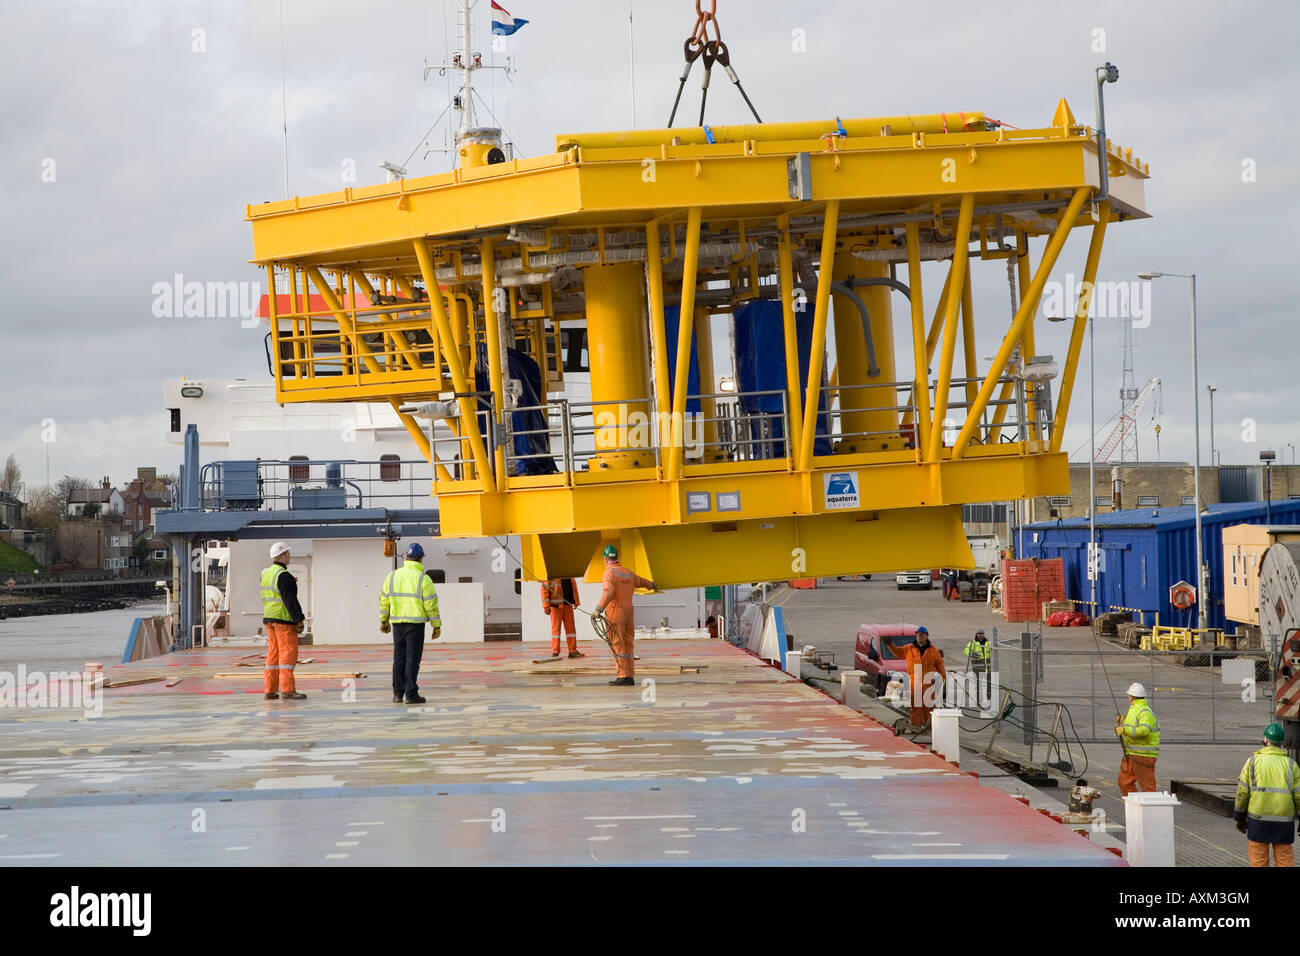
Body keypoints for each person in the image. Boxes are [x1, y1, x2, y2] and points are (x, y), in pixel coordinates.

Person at [379, 543, 441, 704]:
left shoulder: (392, 576)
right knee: (412, 659)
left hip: (397, 624)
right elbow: (430, 604)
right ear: (421, 559)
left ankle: (397, 694)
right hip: (415, 625)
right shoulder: (423, 578)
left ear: (406, 558)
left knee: (399, 659)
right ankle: (411, 694)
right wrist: (436, 625)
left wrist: (383, 620)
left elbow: (384, 600)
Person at [1233, 722, 1300, 867]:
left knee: (1258, 861)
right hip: (1284, 822)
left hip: (1258, 820)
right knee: (1285, 861)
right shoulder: (1291, 765)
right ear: (1281, 742)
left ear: (1266, 740)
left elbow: (1242, 793)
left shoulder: (1252, 762)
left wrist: (1239, 817)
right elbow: (1299, 796)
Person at [593, 544, 655, 686]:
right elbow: (641, 581)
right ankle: (630, 676)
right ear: (617, 557)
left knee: (617, 643)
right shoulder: (627, 572)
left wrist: (598, 609)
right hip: (629, 611)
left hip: (615, 611)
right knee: (628, 643)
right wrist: (652, 585)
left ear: (605, 559)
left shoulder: (609, 573)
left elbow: (608, 592)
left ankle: (622, 676)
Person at [261, 541, 306, 701]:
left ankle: (270, 690)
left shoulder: (266, 574)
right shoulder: (284, 576)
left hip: (269, 619)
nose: (290, 557)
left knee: (273, 654)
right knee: (287, 654)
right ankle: (287, 690)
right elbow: (290, 601)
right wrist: (299, 619)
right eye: (288, 554)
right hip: (283, 620)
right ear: (283, 555)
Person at [885, 626, 946, 727]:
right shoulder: (909, 648)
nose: (919, 637)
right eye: (917, 635)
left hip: (928, 684)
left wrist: (943, 678)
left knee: (929, 708)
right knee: (916, 708)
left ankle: (929, 729)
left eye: (921, 635)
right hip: (915, 685)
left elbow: (940, 665)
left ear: (926, 636)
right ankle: (916, 728)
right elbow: (898, 652)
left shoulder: (933, 650)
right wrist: (889, 644)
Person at [1115, 682, 1160, 795]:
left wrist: (1124, 730)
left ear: (1132, 697)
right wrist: (1123, 720)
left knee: (1147, 786)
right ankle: (1134, 806)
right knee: (1124, 782)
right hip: (1131, 754)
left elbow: (1144, 731)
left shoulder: (1145, 712)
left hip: (1143, 755)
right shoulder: (1134, 709)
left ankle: (1149, 809)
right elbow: (1134, 726)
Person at [540, 576, 583, 658]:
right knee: (556, 630)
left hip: (568, 605)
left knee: (571, 629)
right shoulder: (550, 575)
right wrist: (546, 606)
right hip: (555, 607)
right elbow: (544, 590)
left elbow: (573, 588)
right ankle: (555, 651)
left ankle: (572, 651)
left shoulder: (569, 574)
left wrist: (576, 601)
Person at [964, 628, 991, 695]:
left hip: (987, 666)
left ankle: (989, 696)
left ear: (983, 635)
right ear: (976, 635)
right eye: (978, 634)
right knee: (979, 683)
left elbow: (993, 649)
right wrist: (972, 654)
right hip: (977, 667)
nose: (980, 635)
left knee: (989, 682)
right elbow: (966, 651)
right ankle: (979, 698)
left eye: (981, 634)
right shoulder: (973, 643)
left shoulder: (988, 643)